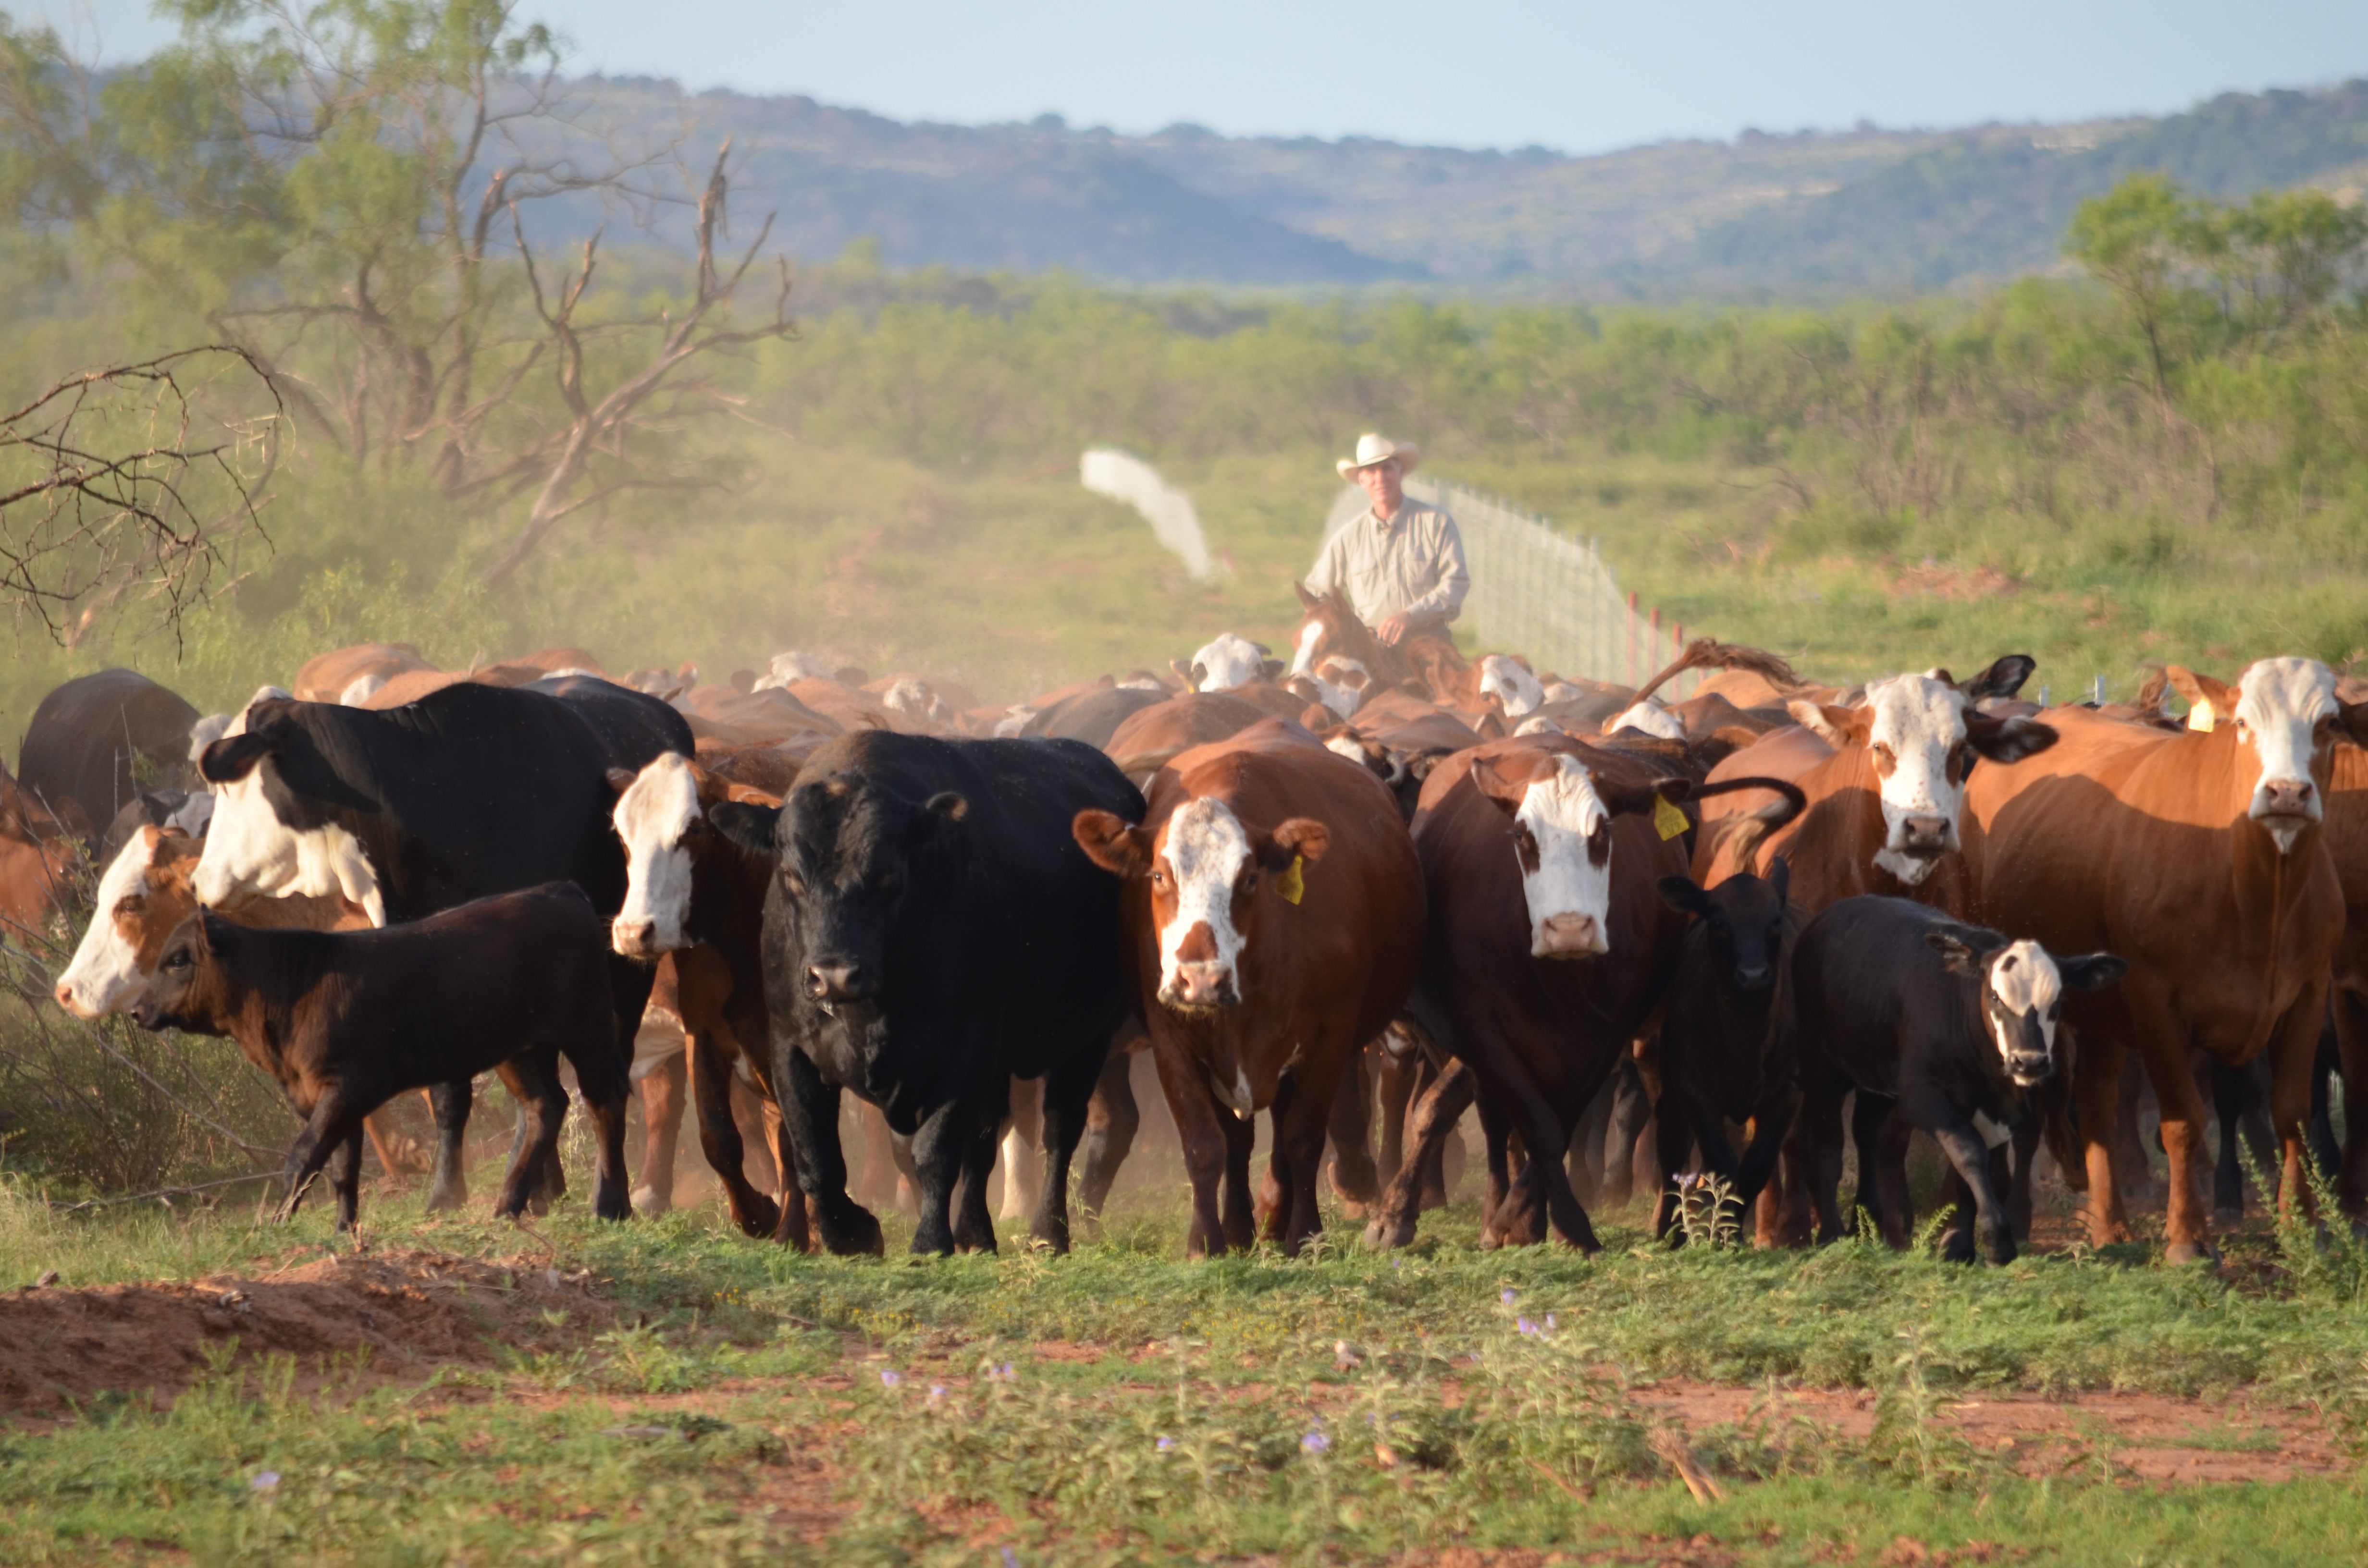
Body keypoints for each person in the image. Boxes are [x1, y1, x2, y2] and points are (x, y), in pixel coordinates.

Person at [1307, 433, 1469, 647]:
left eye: (1387, 469)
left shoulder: (1436, 523)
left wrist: (1411, 616)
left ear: (1400, 471)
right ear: (1361, 480)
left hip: (1430, 645)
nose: (1380, 478)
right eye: (1371, 472)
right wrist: (1347, 630)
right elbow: (1316, 595)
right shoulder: (1347, 538)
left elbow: (1456, 583)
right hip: (1374, 652)